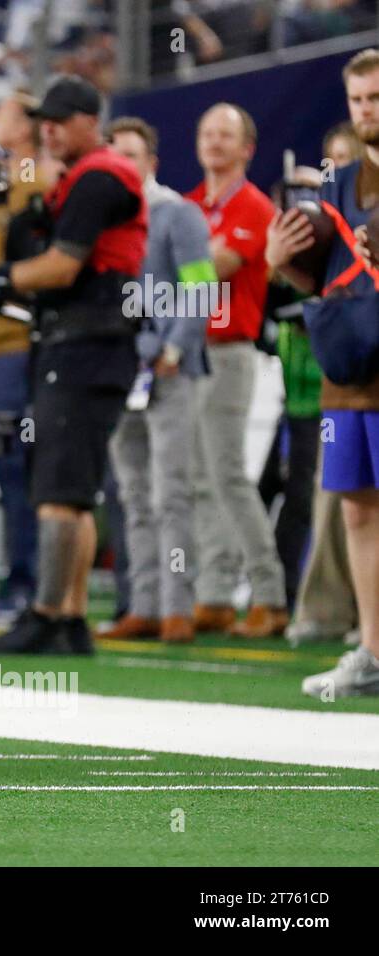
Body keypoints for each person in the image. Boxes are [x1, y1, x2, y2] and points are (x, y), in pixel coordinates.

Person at [0, 75, 147, 655]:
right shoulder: (79, 179)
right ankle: (70, 619)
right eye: (43, 121)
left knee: (58, 490)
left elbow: (60, 268)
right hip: (80, 342)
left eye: (58, 120)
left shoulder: (101, 176)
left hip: (85, 344)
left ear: (87, 120)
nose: (48, 130)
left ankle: (47, 614)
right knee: (69, 492)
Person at [270, 49, 379, 695]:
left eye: (376, 97)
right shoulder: (338, 183)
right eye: (359, 99)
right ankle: (371, 650)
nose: (367, 110)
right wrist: (283, 260)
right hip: (347, 374)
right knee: (358, 513)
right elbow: (331, 275)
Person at [97, 116, 215, 644]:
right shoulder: (107, 219)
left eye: (132, 156)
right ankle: (142, 605)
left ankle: (177, 608)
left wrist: (175, 345)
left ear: (152, 163)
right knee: (132, 495)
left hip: (169, 367)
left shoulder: (177, 214)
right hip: (124, 368)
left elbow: (203, 288)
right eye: (115, 157)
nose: (125, 165)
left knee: (172, 494)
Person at [186, 103, 287, 637]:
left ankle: (269, 594)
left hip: (229, 350)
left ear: (248, 148)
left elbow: (204, 273)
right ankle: (216, 593)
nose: (214, 142)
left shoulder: (253, 206)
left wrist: (179, 259)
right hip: (190, 351)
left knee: (225, 475)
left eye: (226, 135)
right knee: (203, 479)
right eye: (207, 133)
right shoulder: (190, 204)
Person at [0, 91, 55, 624]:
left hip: (19, 343)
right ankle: (22, 579)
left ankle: (28, 584)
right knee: (8, 468)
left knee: (21, 468)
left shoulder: (33, 187)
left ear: (25, 127)